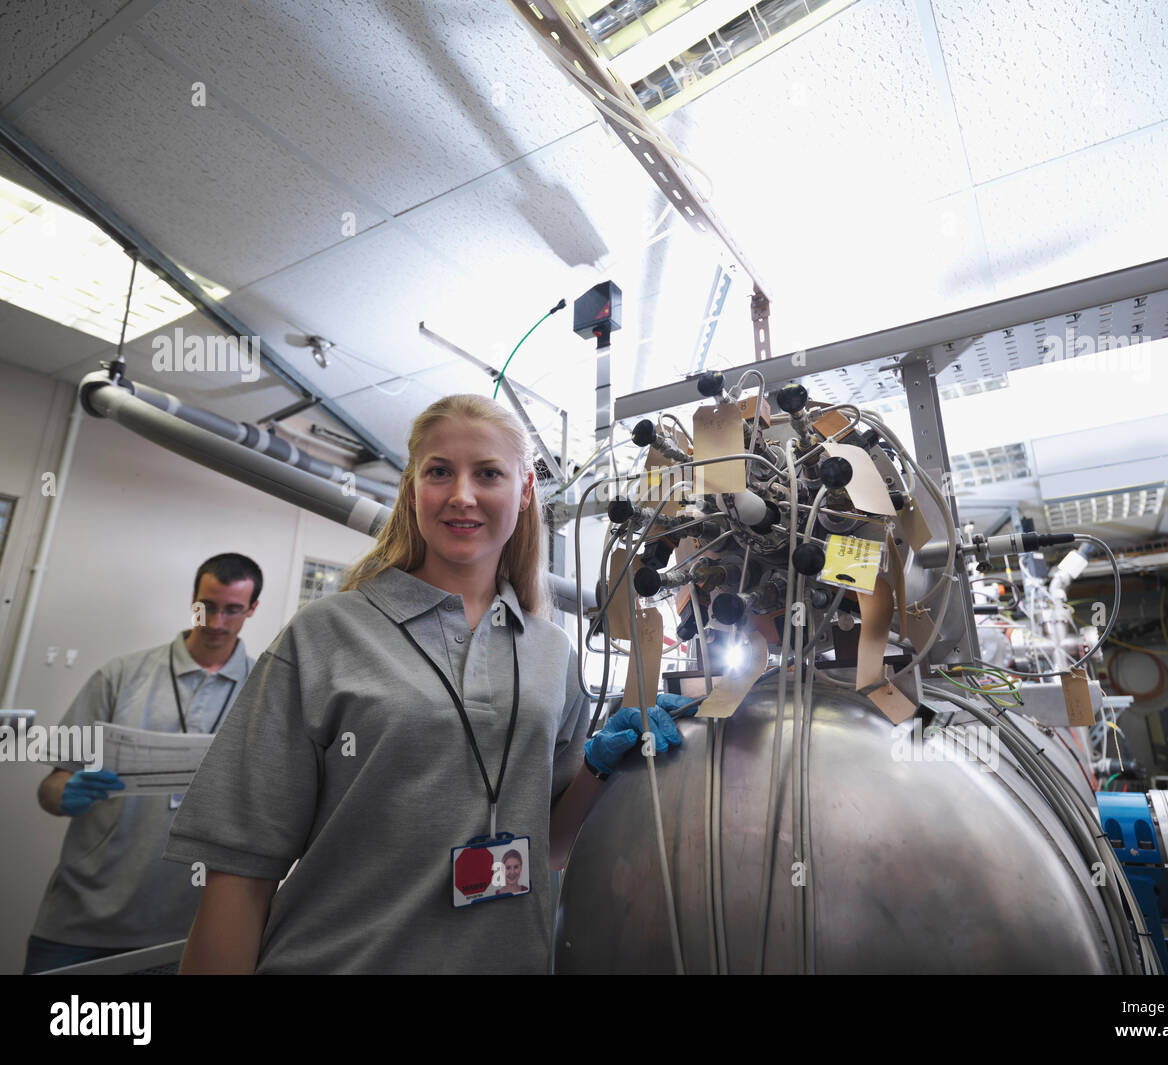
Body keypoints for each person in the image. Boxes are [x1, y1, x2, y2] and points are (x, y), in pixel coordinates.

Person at [166, 394, 690, 974]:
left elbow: (551, 849)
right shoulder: (327, 634)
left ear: (523, 492)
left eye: (487, 473)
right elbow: (239, 873)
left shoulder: (550, 651)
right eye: (440, 472)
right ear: (413, 488)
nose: (461, 495)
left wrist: (599, 765)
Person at [25, 554, 261, 974]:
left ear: (252, 609)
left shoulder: (267, 690)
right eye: (206, 606)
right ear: (192, 599)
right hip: (82, 923)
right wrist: (67, 791)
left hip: (197, 932)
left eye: (232, 609)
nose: (217, 622)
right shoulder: (120, 676)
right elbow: (50, 789)